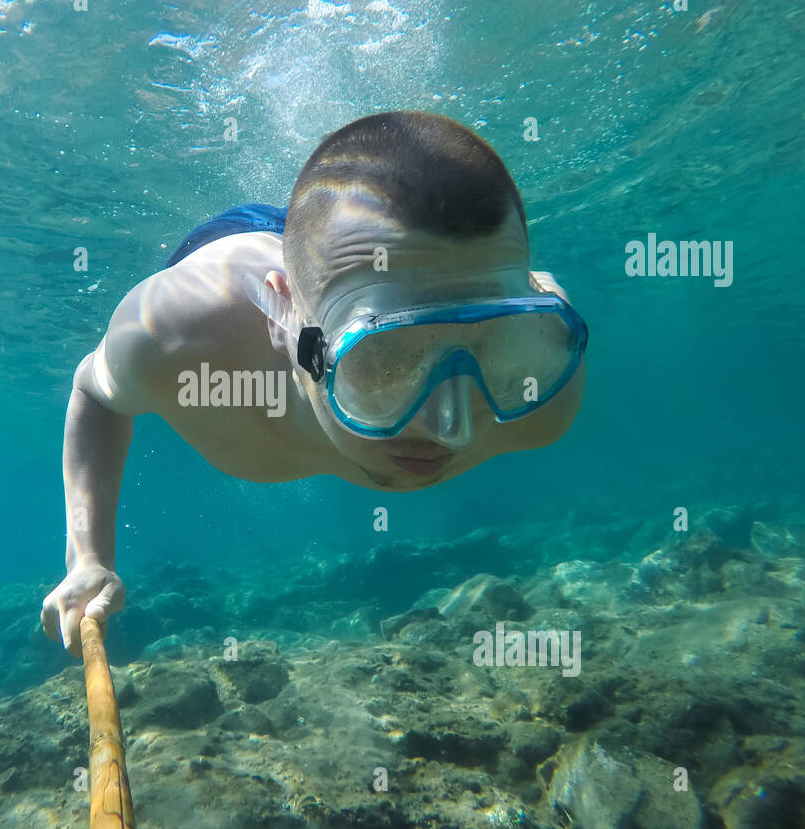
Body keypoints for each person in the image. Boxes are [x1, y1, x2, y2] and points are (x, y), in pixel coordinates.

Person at [42, 110, 587, 655]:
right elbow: (94, 391)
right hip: (240, 245)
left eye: (495, 342)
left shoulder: (545, 377)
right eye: (384, 358)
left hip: (348, 262)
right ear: (284, 323)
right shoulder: (178, 337)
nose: (454, 430)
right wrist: (88, 556)